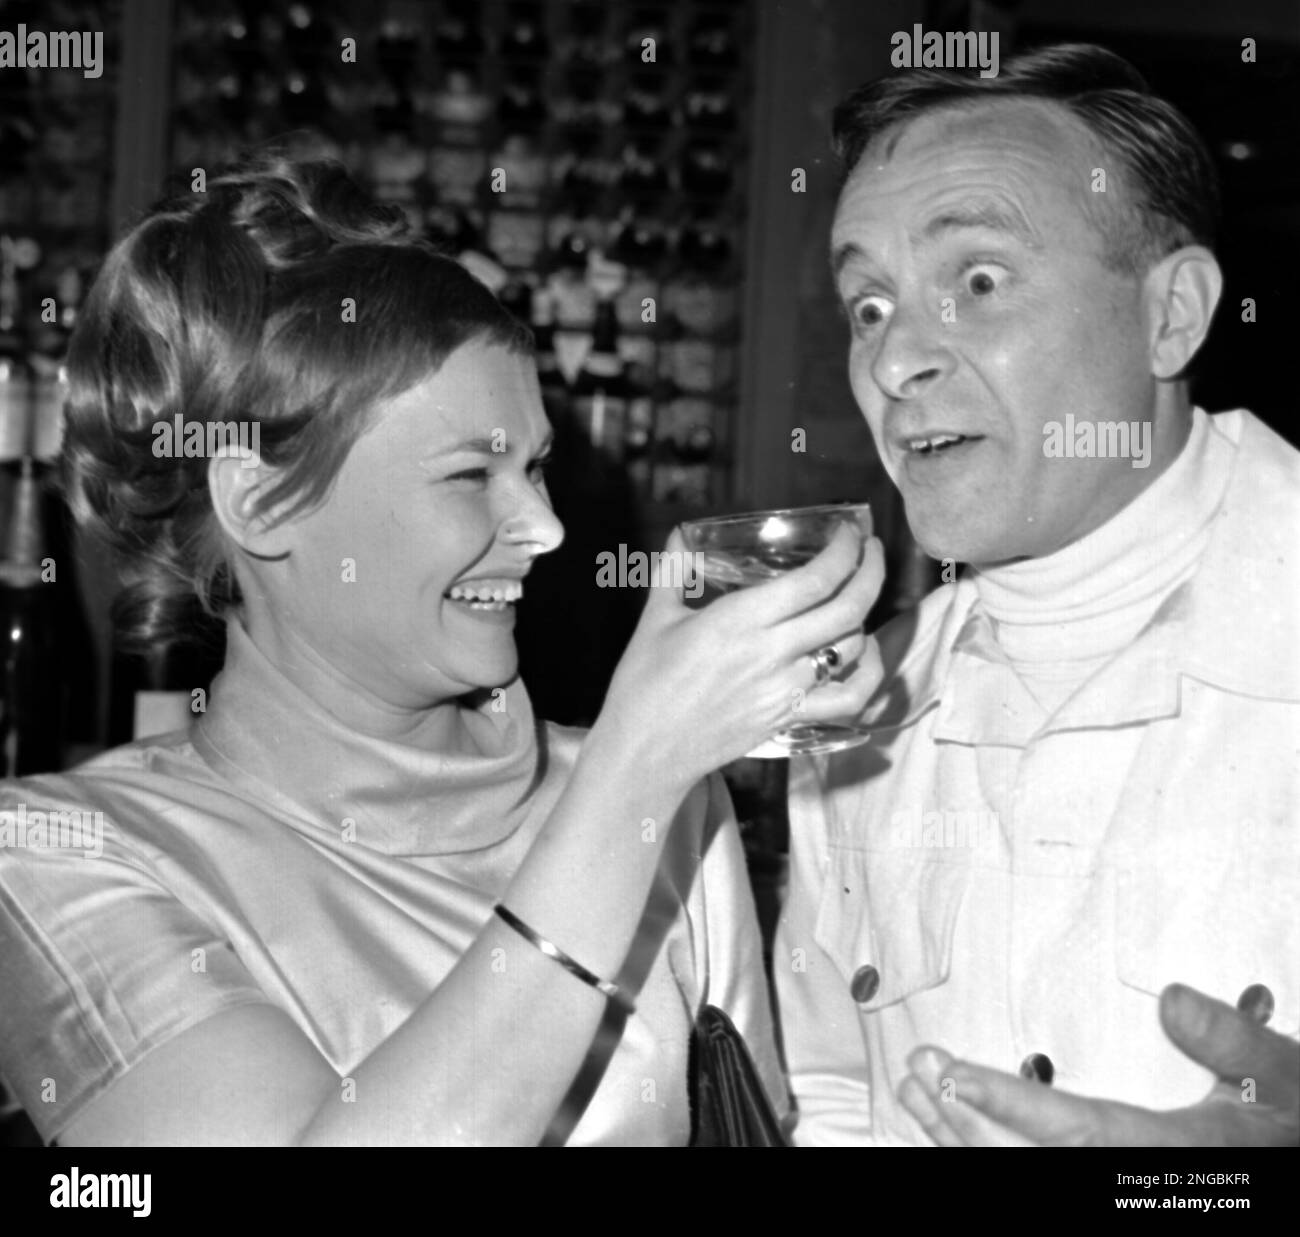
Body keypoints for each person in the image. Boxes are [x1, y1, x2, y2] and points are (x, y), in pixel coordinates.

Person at [0, 154, 886, 1147]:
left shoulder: (672, 801)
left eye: (537, 465)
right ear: (259, 500)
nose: (545, 527)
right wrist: (629, 776)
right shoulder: (59, 851)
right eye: (473, 473)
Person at [775, 43, 1299, 1146]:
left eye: (975, 282)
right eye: (868, 304)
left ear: (1173, 315)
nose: (896, 359)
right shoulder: (858, 712)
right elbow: (833, 1094)